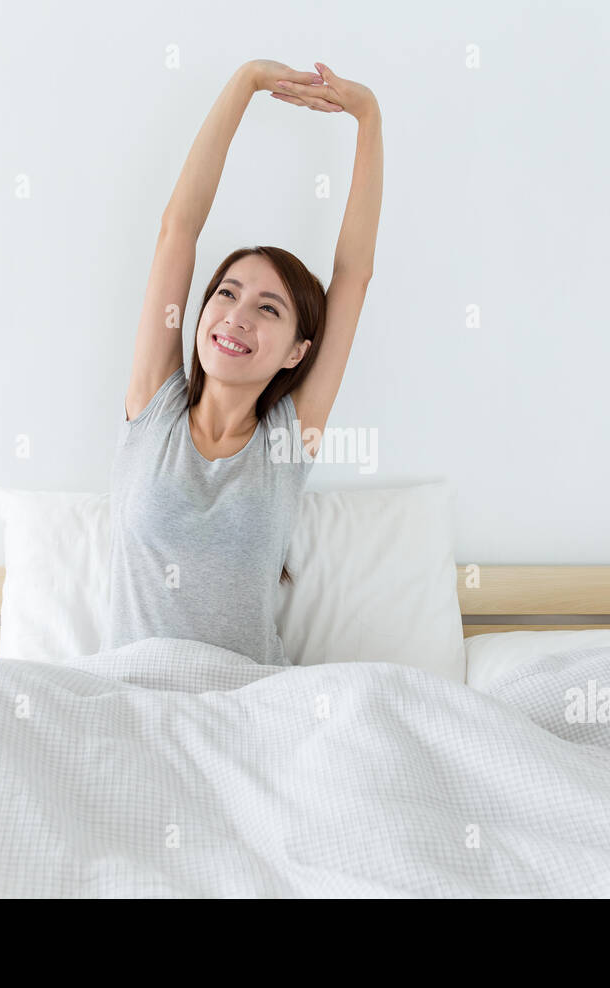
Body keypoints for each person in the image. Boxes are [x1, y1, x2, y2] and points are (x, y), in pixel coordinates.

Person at [105, 59, 383, 666]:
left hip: (247, 714)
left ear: (296, 352)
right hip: (130, 703)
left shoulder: (288, 440)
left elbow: (353, 276)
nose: (236, 316)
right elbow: (178, 229)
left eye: (268, 309)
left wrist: (368, 118)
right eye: (226, 293)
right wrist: (247, 81)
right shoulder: (155, 410)